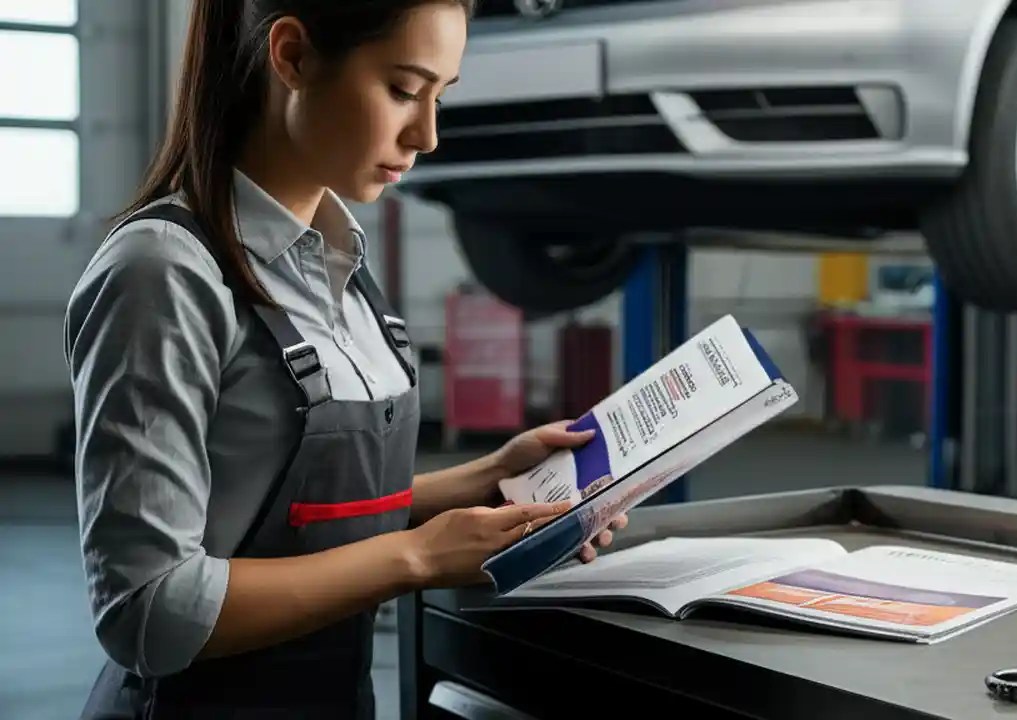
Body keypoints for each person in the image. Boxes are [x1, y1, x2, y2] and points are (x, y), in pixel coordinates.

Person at [63, 1, 626, 717]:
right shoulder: (163, 274)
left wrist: (488, 481)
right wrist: (417, 558)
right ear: (293, 56)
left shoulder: (340, 268)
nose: (426, 134)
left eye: (439, 97)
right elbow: (149, 610)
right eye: (402, 89)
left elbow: (307, 512)